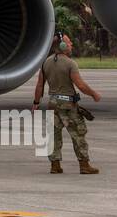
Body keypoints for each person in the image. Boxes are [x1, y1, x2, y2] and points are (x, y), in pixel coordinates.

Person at [32, 34, 101, 174]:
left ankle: (55, 165)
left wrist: (36, 102)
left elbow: (40, 85)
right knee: (78, 134)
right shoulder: (70, 64)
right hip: (68, 105)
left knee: (54, 135)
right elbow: (80, 85)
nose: (71, 45)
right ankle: (84, 165)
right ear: (63, 46)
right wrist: (94, 94)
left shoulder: (46, 63)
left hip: (53, 103)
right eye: (69, 43)